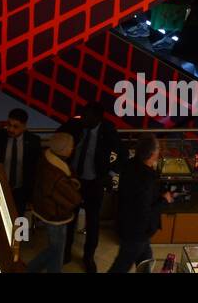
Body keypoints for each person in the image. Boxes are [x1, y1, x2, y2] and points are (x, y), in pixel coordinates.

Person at [57, 100, 120, 271]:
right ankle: (66, 253)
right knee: (70, 218)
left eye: (87, 116)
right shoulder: (75, 125)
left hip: (95, 182)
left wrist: (110, 175)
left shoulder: (108, 130)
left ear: (97, 118)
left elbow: (120, 153)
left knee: (93, 222)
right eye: (83, 114)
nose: (83, 118)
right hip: (74, 181)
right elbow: (58, 137)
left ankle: (89, 257)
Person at [108, 135, 170, 273]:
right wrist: (164, 200)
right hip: (137, 231)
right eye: (159, 148)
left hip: (128, 224)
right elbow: (144, 211)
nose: (160, 151)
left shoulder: (131, 164)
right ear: (152, 154)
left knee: (146, 260)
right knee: (121, 266)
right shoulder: (147, 178)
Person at [24, 132, 81, 273]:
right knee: (56, 250)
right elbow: (74, 198)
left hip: (45, 210)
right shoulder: (57, 173)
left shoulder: (47, 158)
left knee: (55, 249)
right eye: (70, 147)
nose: (72, 149)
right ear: (63, 150)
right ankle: (31, 269)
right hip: (56, 215)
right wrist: (74, 184)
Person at [0, 108, 42, 214]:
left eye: (15, 126)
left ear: (24, 126)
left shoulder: (33, 141)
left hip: (20, 191)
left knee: (17, 220)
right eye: (9, 125)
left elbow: (36, 167)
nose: (10, 129)